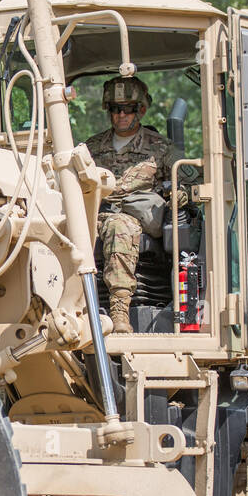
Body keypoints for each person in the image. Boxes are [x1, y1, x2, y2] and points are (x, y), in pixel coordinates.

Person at [84, 76, 172, 334]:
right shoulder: (91, 148)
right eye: (115, 108)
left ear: (141, 110)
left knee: (118, 226)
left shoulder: (160, 148)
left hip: (135, 221)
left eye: (128, 108)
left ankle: (119, 311)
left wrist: (174, 198)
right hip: (94, 214)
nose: (121, 114)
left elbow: (187, 183)